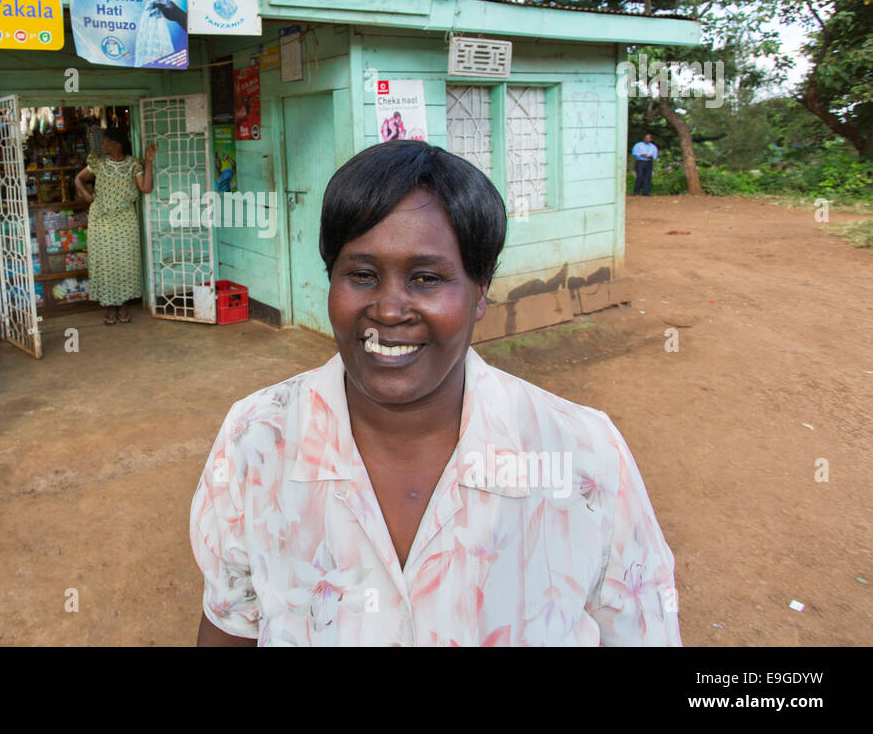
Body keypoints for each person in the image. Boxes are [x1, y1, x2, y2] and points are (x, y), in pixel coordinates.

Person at [189, 140, 680, 646]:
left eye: (426, 278)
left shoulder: (583, 455)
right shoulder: (256, 439)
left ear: (480, 291)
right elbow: (231, 623)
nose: (390, 309)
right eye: (362, 275)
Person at [74, 128, 156, 324]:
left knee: (125, 262)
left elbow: (145, 188)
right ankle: (109, 306)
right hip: (101, 220)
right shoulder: (99, 164)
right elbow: (78, 179)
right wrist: (87, 195)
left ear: (116, 144)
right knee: (104, 263)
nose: (102, 146)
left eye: (105, 142)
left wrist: (149, 162)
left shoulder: (133, 164)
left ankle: (123, 305)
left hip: (125, 220)